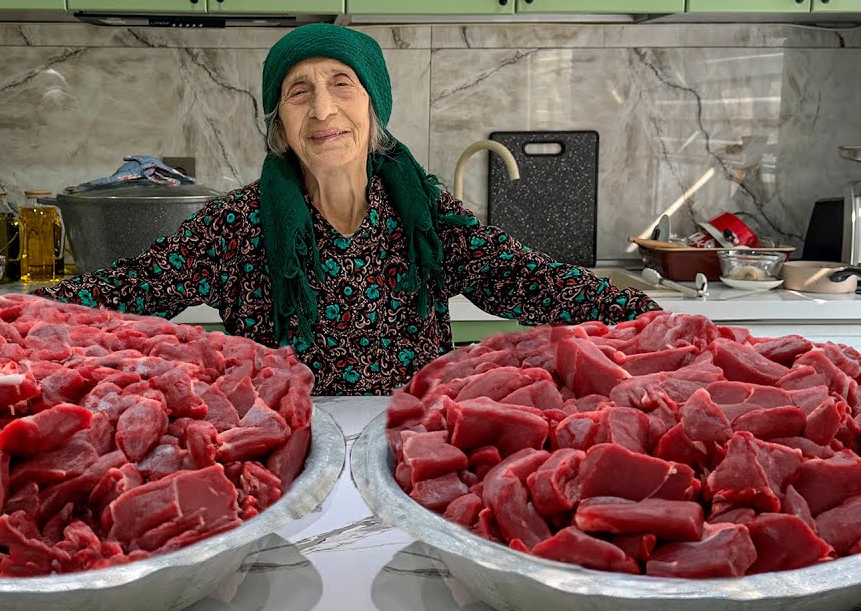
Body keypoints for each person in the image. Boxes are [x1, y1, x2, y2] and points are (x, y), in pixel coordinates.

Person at [33, 23, 660, 395]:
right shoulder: (238, 223)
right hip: (283, 449)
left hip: (407, 446)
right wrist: (16, 323)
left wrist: (648, 320)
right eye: (299, 92)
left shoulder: (426, 215)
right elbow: (133, 289)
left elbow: (524, 279)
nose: (324, 111)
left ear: (373, 106)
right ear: (279, 120)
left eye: (342, 85)